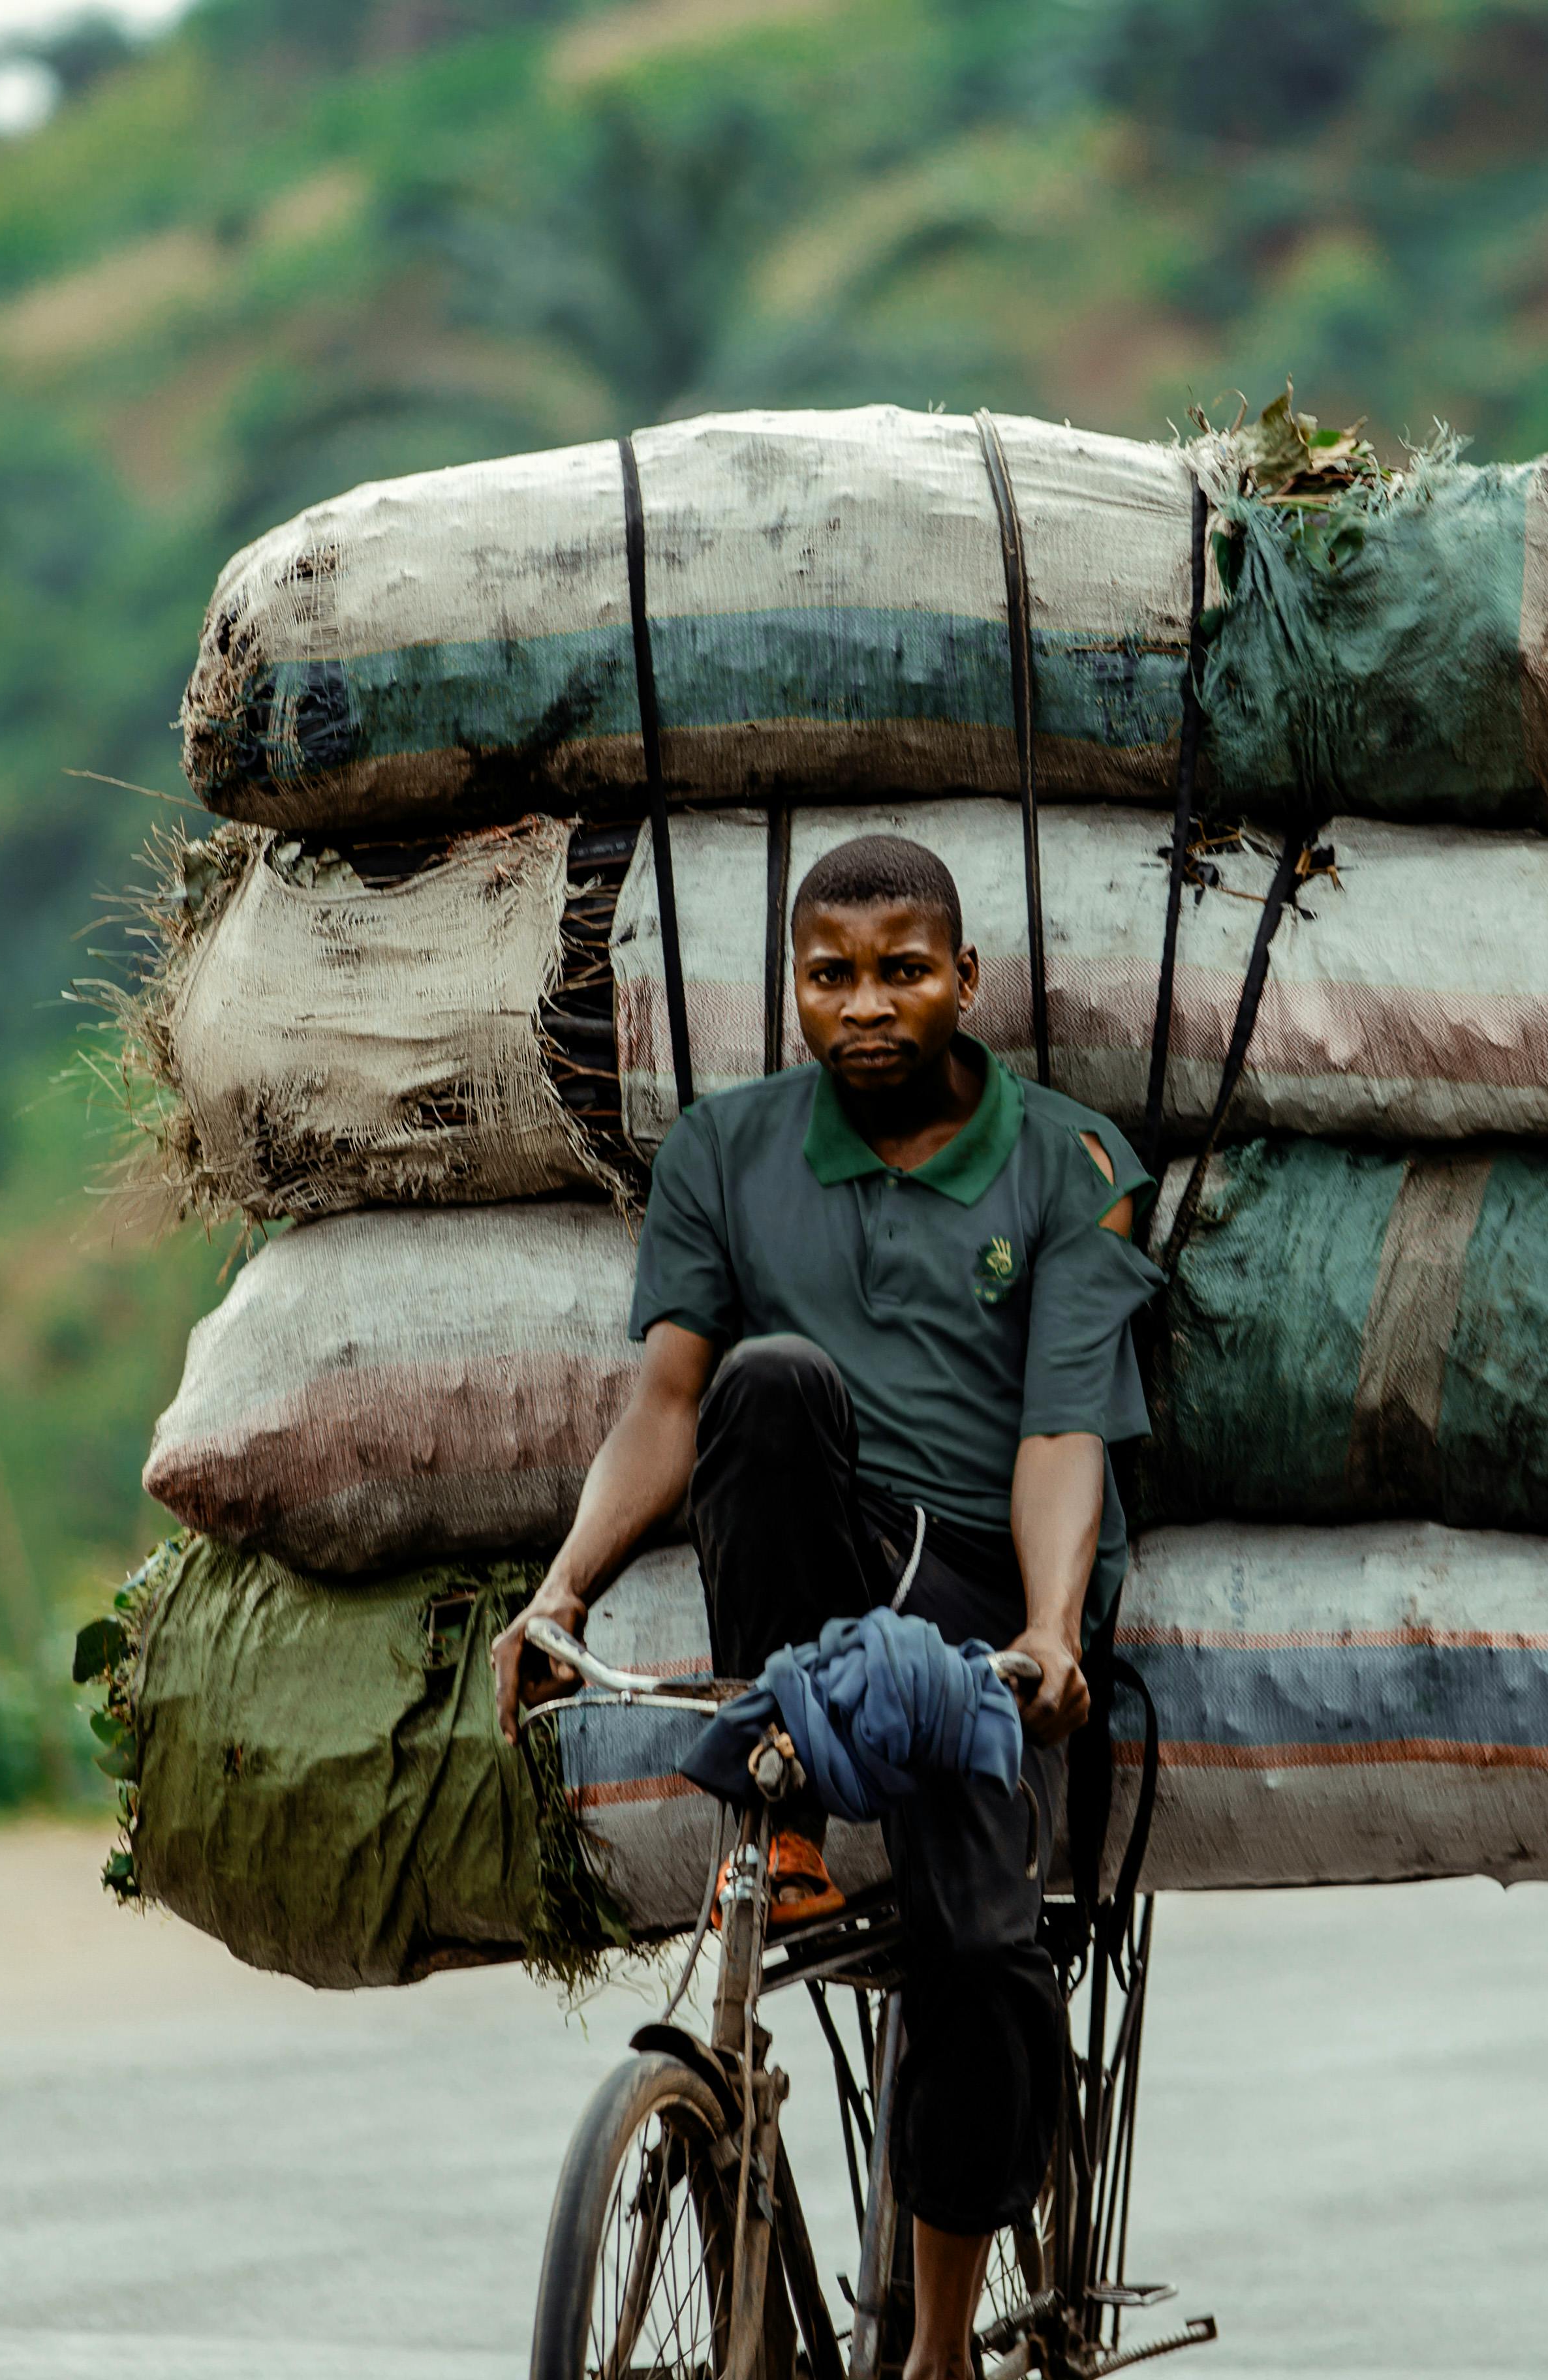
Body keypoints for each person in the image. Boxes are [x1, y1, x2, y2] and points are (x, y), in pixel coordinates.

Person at [492, 829, 1162, 2380]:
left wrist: (1052, 1632)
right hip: (811, 1570)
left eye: (902, 972)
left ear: (965, 980)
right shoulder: (723, 1152)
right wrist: (562, 1590)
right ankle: (780, 1810)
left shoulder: (1071, 1166)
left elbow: (1065, 1430)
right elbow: (666, 1406)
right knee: (769, 1383)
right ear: (791, 989)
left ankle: (936, 2350)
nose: (866, 1005)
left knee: (983, 1956)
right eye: (831, 976)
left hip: (976, 1601)